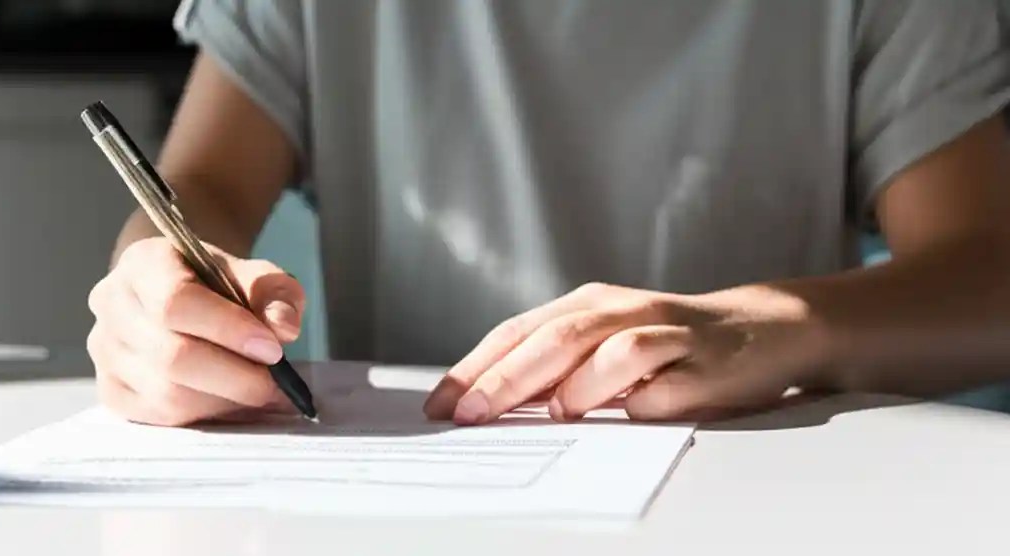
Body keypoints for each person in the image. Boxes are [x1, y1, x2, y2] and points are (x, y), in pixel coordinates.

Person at [86, 0, 1010, 428]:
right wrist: (154, 293)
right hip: (404, 532)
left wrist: (774, 323)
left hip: (746, 526)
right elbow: (194, 193)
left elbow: (987, 277)